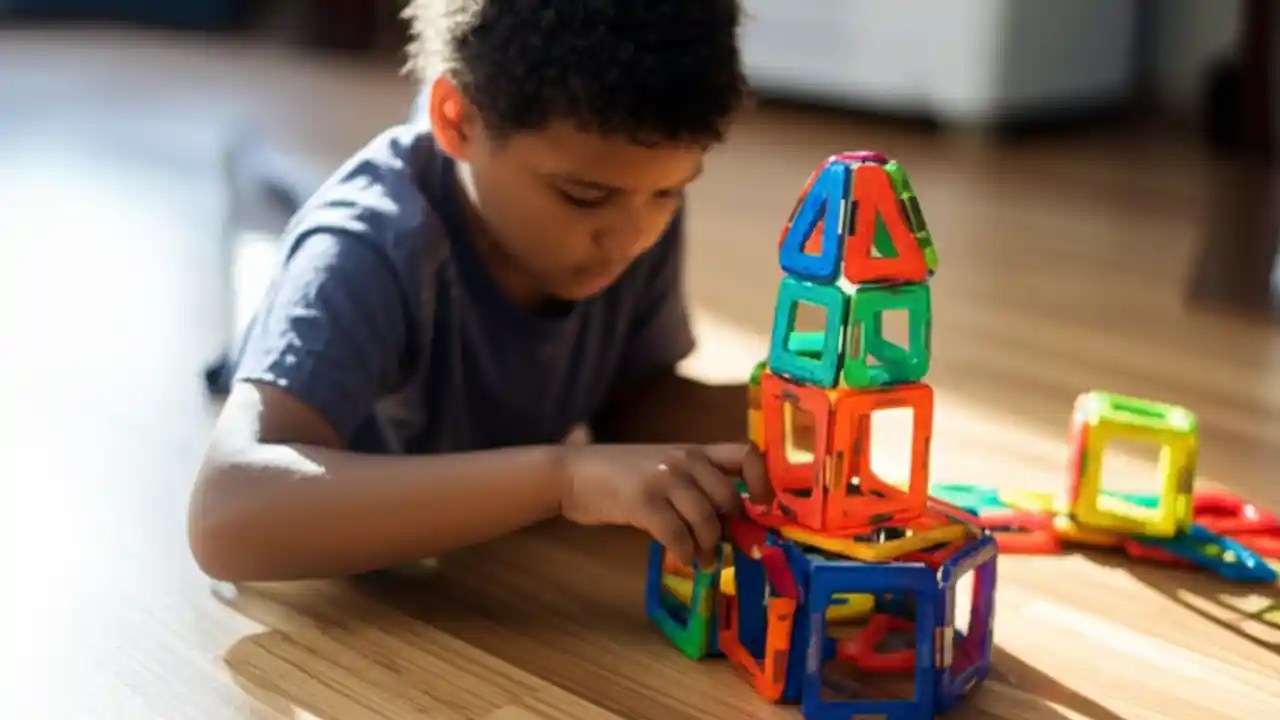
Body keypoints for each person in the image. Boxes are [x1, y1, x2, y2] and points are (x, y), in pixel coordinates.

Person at [187, 0, 772, 583]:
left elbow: (634, 400)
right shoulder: (367, 246)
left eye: (670, 192)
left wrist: (783, 422)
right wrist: (562, 479)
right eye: (584, 197)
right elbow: (227, 516)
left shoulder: (629, 201)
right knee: (260, 247)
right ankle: (254, 174)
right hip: (326, 311)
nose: (630, 237)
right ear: (457, 118)